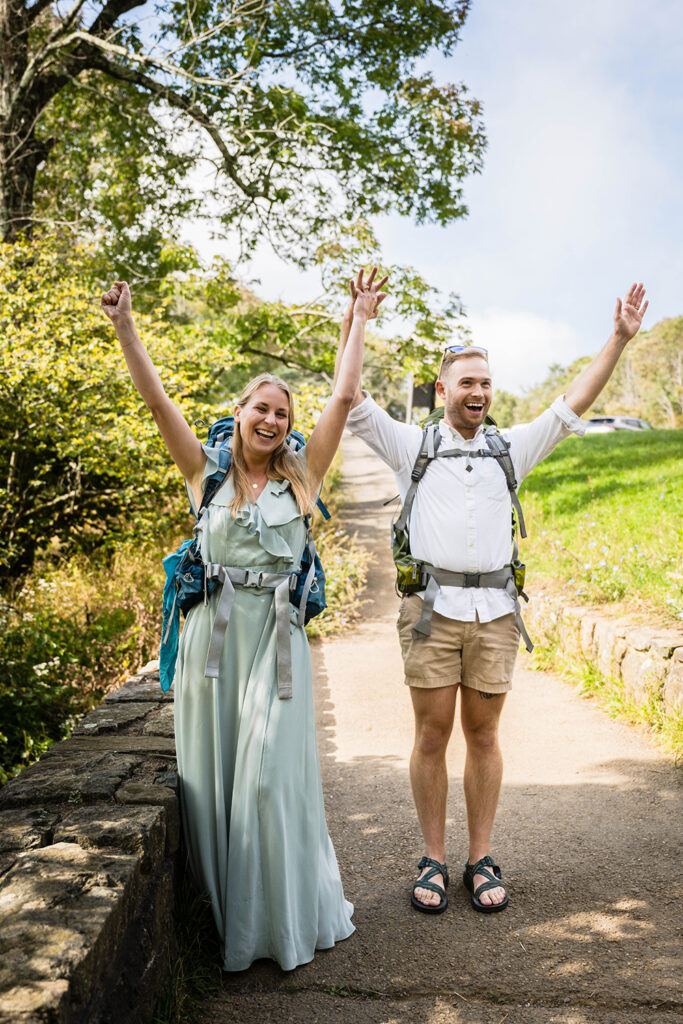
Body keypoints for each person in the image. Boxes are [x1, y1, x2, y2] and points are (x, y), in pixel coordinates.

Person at [100, 268, 387, 970]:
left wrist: (357, 320)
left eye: (283, 413)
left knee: (266, 782)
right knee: (213, 790)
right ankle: (228, 928)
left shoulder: (303, 477)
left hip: (277, 640)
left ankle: (279, 927)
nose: (272, 420)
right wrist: (125, 327)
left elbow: (345, 395)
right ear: (239, 413)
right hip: (212, 646)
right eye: (262, 408)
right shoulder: (204, 474)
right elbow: (155, 398)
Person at [340, 283, 649, 915]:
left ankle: (479, 858)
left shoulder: (512, 448)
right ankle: (433, 858)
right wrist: (357, 321)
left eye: (485, 383)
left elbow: (573, 403)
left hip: (496, 614)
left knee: (484, 736)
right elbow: (350, 400)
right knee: (432, 735)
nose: (477, 392)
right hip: (429, 614)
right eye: (466, 383)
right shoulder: (412, 446)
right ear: (442, 388)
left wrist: (618, 338)